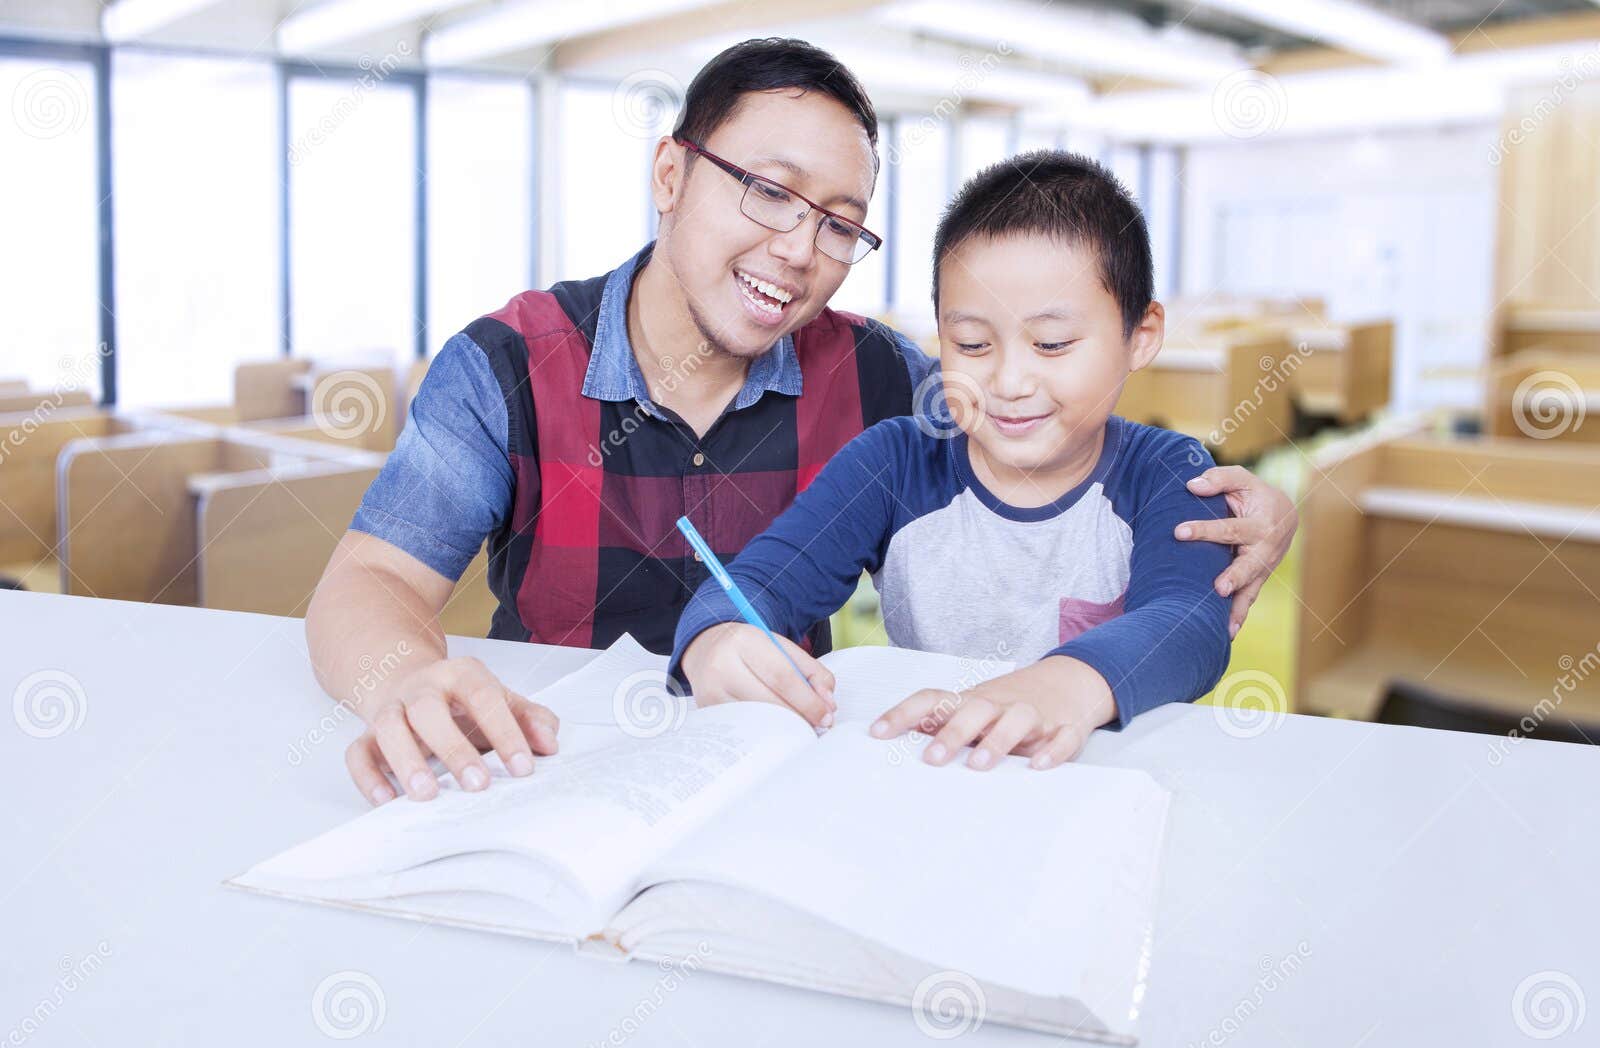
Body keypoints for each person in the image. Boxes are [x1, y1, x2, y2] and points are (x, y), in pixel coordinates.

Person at [305, 39, 1298, 805]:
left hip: (790, 771)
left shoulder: (880, 377)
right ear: (670, 175)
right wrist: (404, 682)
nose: (797, 249)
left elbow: (1032, 423)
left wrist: (1255, 501)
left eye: (837, 221)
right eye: (770, 192)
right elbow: (373, 582)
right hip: (545, 765)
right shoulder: (507, 362)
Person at [673, 151, 1232, 768]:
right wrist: (715, 636)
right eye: (971, 344)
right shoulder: (895, 463)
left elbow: (1190, 624)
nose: (1010, 380)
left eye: (1052, 344)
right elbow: (757, 582)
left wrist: (1060, 684)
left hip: (1098, 784)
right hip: (938, 778)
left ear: (1141, 336)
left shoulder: (1168, 472)